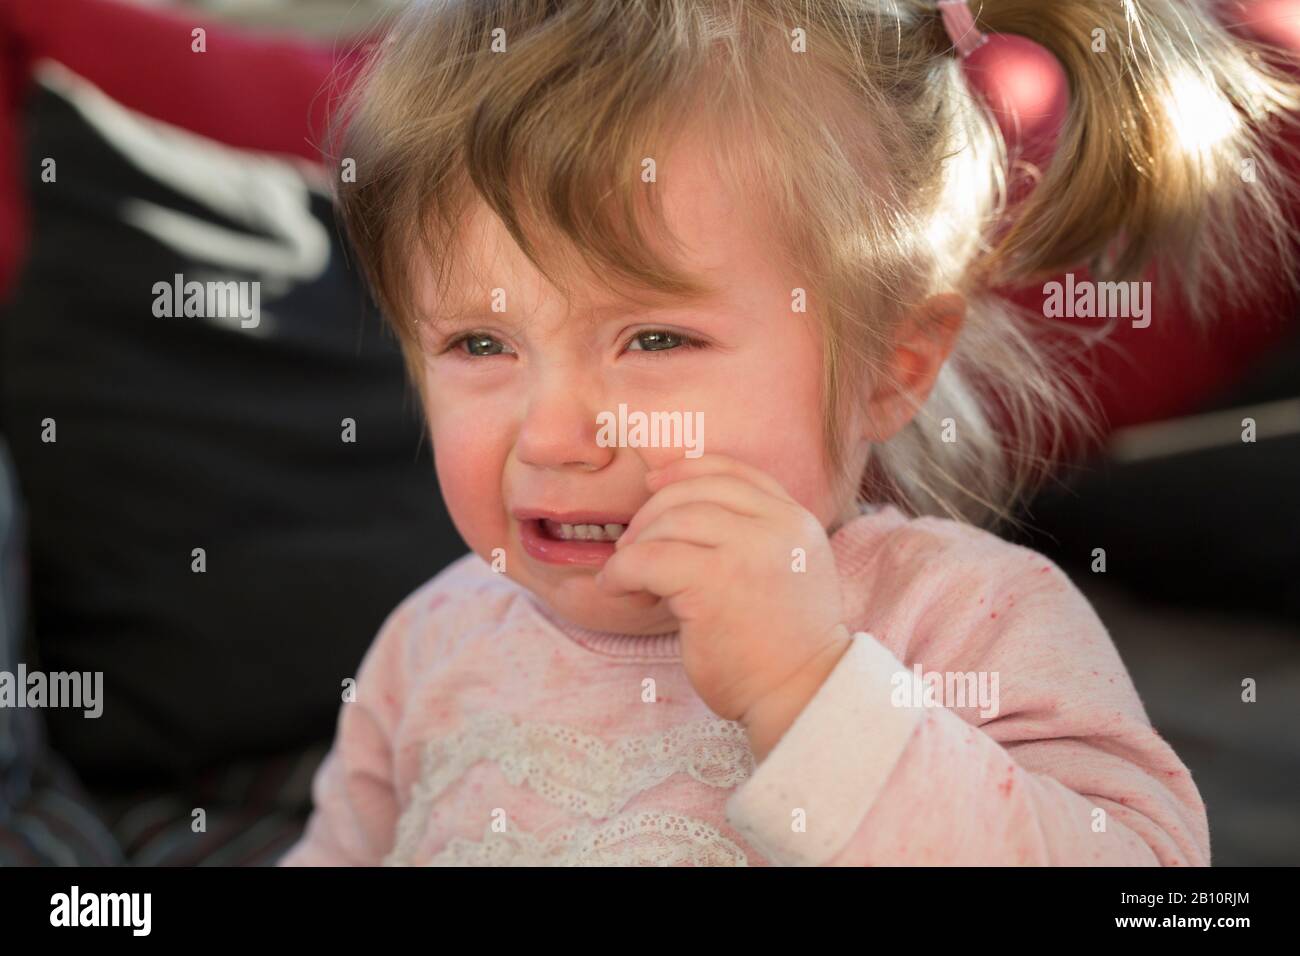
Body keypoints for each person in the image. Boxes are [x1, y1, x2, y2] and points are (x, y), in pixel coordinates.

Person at [280, 0, 1300, 866]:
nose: (551, 434)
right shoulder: (433, 640)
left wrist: (808, 687)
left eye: (653, 336)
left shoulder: (961, 617)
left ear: (888, 367)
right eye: (478, 342)